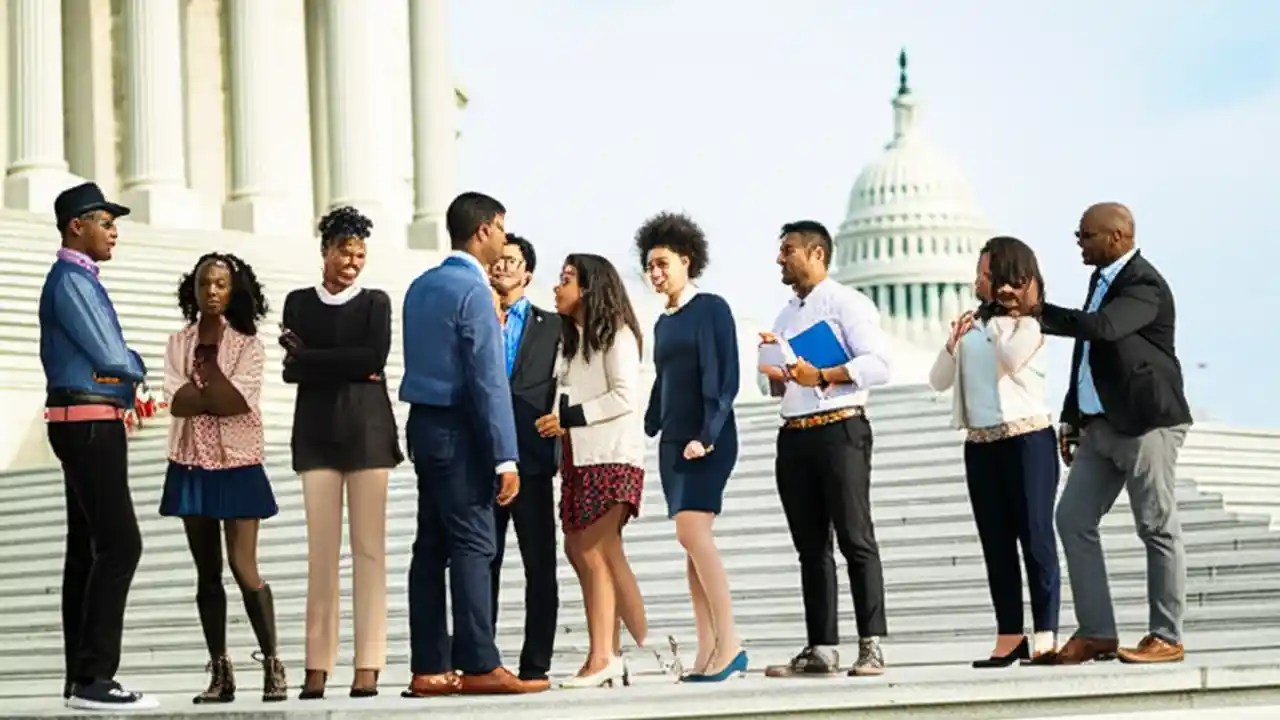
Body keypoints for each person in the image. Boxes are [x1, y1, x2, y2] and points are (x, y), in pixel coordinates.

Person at [1034, 202, 1193, 666]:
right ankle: (1098, 632)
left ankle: (1167, 635)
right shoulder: (1100, 280)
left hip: (1146, 424)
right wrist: (1071, 416)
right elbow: (1087, 355)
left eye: (1086, 235)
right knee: (1072, 518)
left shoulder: (1144, 284)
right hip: (1099, 426)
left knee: (1156, 525)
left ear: (1118, 236)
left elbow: (1103, 329)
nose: (1078, 242)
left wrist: (1038, 311)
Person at [398, 192, 542, 696]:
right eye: (501, 228)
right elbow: (486, 378)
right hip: (462, 432)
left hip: (424, 427)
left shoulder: (420, 286)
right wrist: (506, 455)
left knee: (429, 547)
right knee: (475, 544)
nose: (504, 239)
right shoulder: (474, 291)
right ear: (484, 229)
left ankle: (430, 667)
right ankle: (480, 663)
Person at [40, 182, 157, 711]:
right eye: (105, 221)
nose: (113, 231)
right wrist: (134, 368)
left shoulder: (79, 279)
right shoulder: (71, 281)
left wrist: (117, 377)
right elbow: (112, 355)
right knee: (121, 544)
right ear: (75, 226)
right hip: (88, 422)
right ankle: (95, 679)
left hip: (83, 418)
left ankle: (79, 678)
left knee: (86, 551)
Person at [758, 220, 891, 678]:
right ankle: (822, 646)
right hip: (795, 432)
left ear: (816, 254)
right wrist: (775, 374)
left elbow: (879, 365)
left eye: (789, 250)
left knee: (855, 537)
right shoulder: (784, 317)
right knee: (810, 547)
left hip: (840, 430)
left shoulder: (847, 303)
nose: (781, 258)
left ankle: (871, 644)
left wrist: (826, 376)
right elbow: (777, 383)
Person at [280, 206, 403, 699]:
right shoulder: (298, 302)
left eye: (359, 255)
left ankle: (368, 663)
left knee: (370, 550)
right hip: (315, 433)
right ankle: (317, 664)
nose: (352, 262)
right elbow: (292, 372)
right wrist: (332, 364)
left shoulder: (375, 302)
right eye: (343, 252)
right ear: (325, 252)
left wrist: (311, 359)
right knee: (321, 554)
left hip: (368, 432)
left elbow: (373, 358)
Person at [159, 252, 286, 703]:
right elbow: (177, 402)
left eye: (220, 284)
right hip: (190, 461)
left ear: (234, 291)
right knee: (206, 572)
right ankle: (221, 672)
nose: (211, 291)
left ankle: (273, 663)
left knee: (242, 564)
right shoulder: (178, 342)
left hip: (239, 463)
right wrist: (209, 390)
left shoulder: (248, 344)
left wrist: (207, 377)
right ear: (192, 290)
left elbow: (236, 402)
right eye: (203, 284)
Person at [928, 236, 1060, 666]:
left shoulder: (1030, 326)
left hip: (1027, 441)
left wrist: (1010, 312)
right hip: (981, 443)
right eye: (980, 273)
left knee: (1035, 539)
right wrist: (954, 342)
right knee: (996, 544)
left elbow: (1010, 360)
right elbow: (938, 380)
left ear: (1007, 277)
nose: (978, 281)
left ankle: (1045, 634)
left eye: (987, 274)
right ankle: (1009, 635)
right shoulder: (972, 325)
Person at [636, 212, 747, 682]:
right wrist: (648, 423)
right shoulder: (664, 322)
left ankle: (732, 645)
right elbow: (665, 381)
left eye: (662, 263)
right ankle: (706, 652)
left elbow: (723, 380)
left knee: (694, 535)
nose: (655, 273)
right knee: (689, 545)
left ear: (686, 260)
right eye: (649, 266)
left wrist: (707, 436)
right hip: (674, 442)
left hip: (707, 439)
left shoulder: (712, 308)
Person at [536, 253, 648, 689]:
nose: (557, 287)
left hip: (614, 457)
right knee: (582, 550)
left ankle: (603, 655)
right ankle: (614, 652)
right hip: (577, 460)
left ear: (587, 288)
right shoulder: (570, 343)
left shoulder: (617, 335)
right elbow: (562, 397)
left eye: (566, 279)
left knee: (588, 549)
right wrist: (555, 421)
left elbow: (624, 397)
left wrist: (570, 418)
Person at [487, 234, 562, 684]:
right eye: (496, 261)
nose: (501, 267)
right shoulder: (477, 317)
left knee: (540, 565)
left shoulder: (551, 325)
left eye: (510, 261)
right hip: (485, 460)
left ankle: (536, 664)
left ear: (527, 274)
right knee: (483, 564)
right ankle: (481, 658)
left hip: (532, 459)